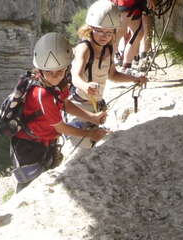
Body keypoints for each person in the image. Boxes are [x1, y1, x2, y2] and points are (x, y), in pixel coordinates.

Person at [10, 32, 109, 191]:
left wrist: (93, 117)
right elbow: (61, 128)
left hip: (44, 141)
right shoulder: (42, 94)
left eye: (59, 72)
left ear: (66, 68)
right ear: (40, 71)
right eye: (49, 73)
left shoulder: (59, 84)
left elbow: (64, 104)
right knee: (28, 188)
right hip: (28, 147)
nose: (55, 77)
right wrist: (90, 134)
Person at [68, 0, 148, 150]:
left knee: (96, 145)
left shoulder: (109, 49)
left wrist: (134, 79)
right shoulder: (84, 49)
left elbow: (113, 75)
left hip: (96, 105)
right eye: (100, 31)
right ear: (91, 29)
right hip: (80, 105)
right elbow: (75, 76)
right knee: (84, 147)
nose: (104, 36)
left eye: (109, 32)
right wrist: (86, 85)